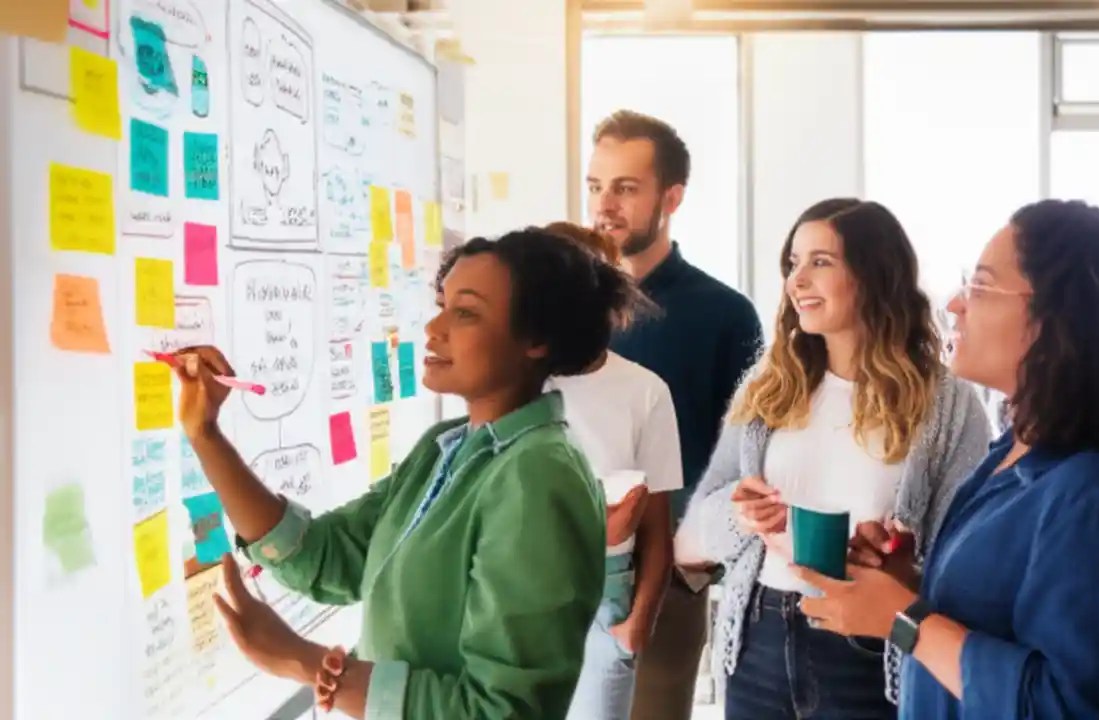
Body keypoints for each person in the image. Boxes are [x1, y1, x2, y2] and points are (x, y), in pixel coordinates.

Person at [173, 228, 650, 719]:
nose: (434, 328)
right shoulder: (446, 448)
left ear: (536, 339)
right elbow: (325, 556)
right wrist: (205, 434)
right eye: (441, 304)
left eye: (465, 312)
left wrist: (304, 661)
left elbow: (499, 712)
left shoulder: (538, 477)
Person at [794, 199, 1099, 719]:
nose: (955, 305)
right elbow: (1004, 627)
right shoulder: (1013, 456)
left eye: (982, 287)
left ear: (1058, 320)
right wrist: (910, 583)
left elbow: (1079, 708)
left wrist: (905, 619)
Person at [674, 198, 991, 719]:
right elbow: (693, 534)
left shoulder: (948, 405)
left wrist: (900, 566)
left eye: (820, 262)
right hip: (758, 641)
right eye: (793, 264)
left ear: (874, 275)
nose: (798, 280)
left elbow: (969, 566)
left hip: (871, 652)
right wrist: (738, 516)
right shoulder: (767, 386)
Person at [587, 108, 764, 720]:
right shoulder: (561, 306)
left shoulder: (726, 315)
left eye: (625, 188)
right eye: (596, 186)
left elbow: (748, 455)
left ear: (672, 196)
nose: (605, 204)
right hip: (555, 566)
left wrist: (692, 554)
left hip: (665, 580)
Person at [541, 221, 684, 720]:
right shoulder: (516, 385)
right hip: (522, 589)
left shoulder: (645, 391)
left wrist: (639, 620)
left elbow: (657, 528)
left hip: (609, 602)